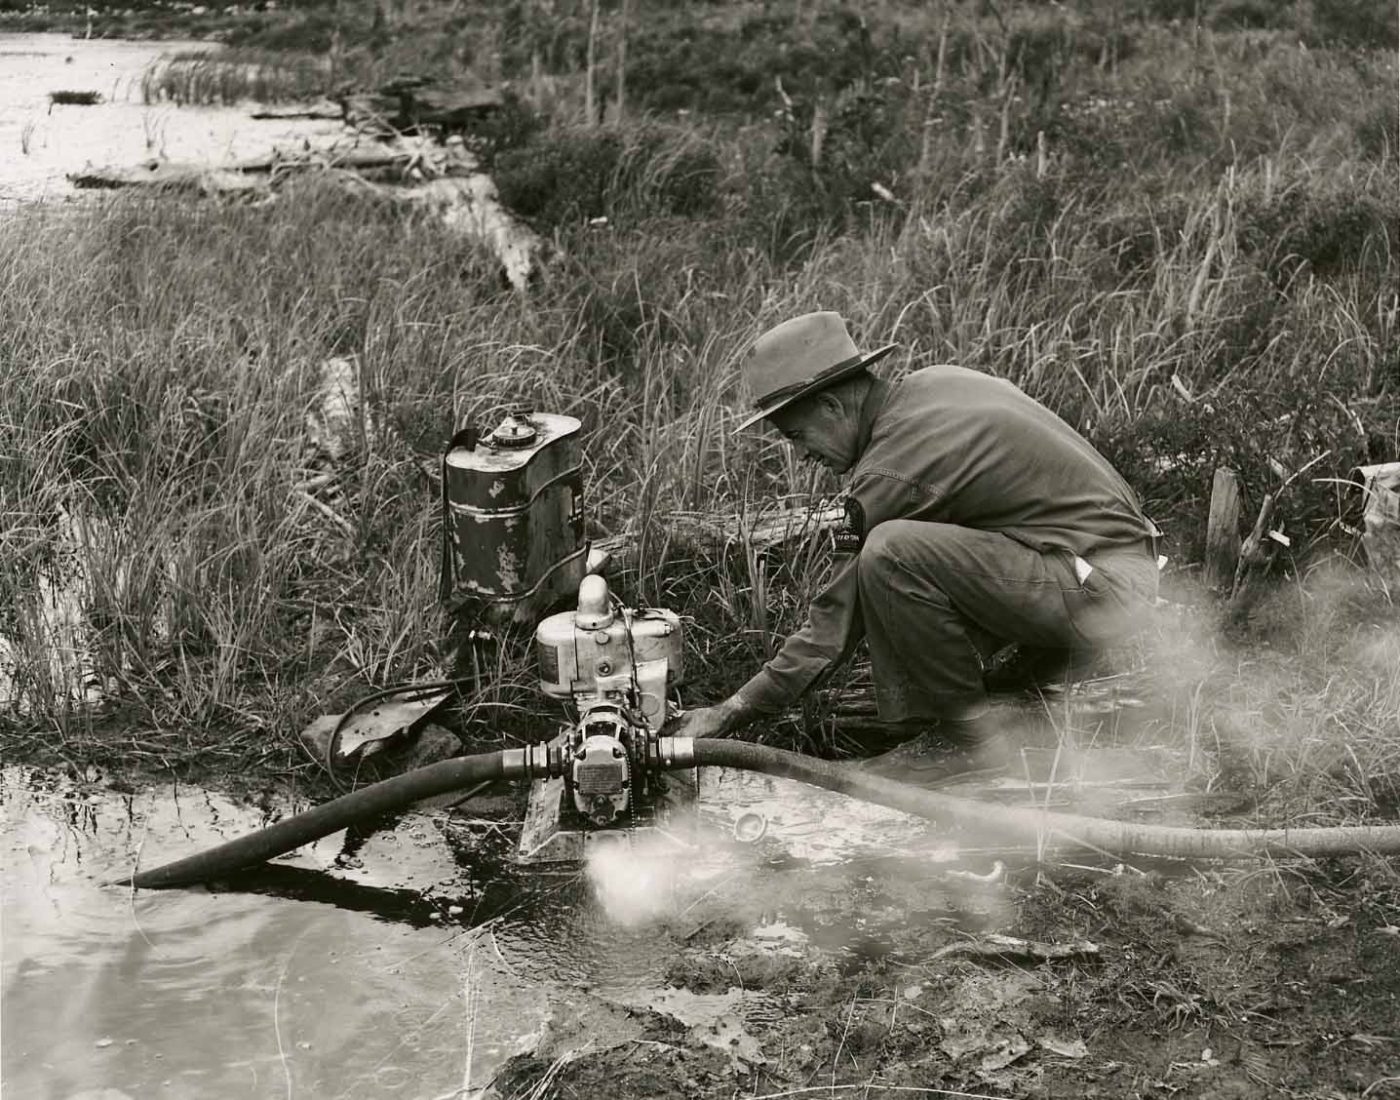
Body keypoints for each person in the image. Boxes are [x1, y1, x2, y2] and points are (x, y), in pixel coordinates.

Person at [669, 311, 1160, 785]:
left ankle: (970, 742)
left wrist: (729, 711)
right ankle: (1009, 692)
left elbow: (831, 627)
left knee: (890, 552)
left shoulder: (889, 466)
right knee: (904, 551)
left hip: (1105, 591)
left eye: (797, 435)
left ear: (834, 407)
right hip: (1102, 568)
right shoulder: (928, 387)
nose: (801, 453)